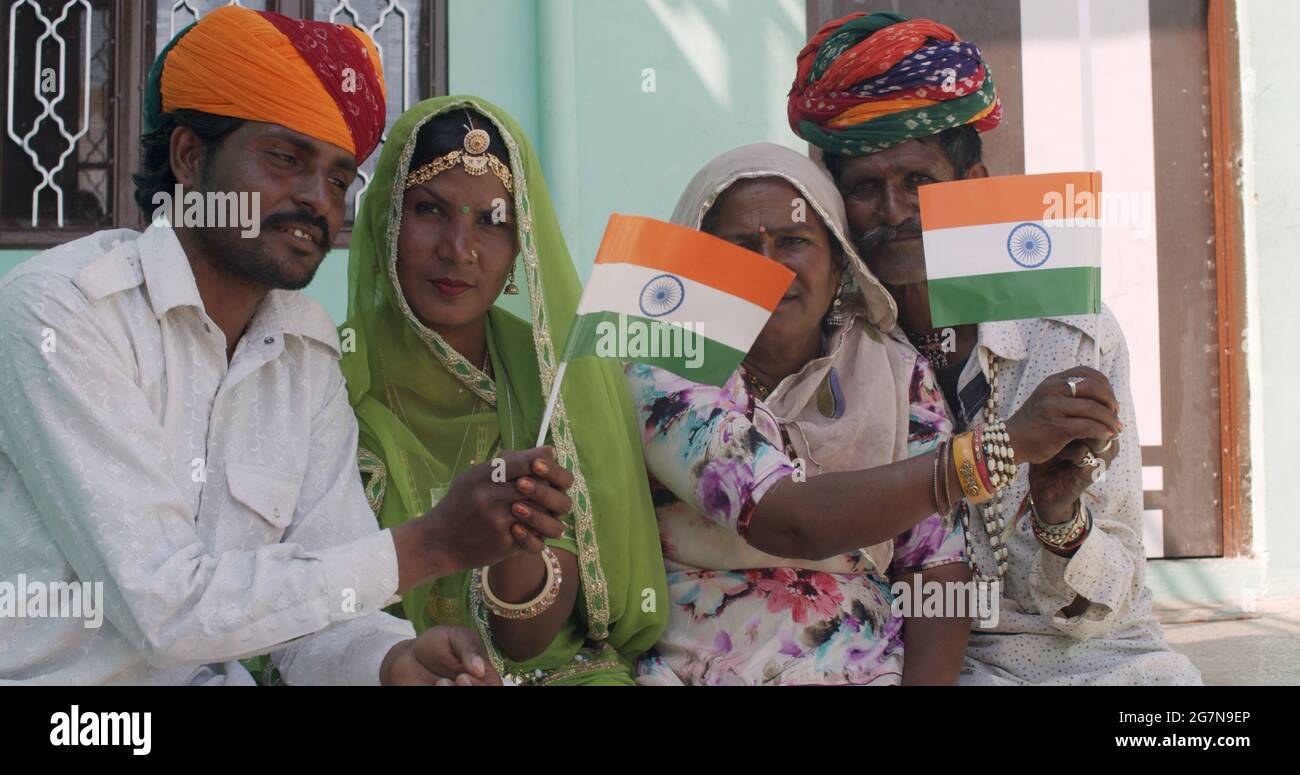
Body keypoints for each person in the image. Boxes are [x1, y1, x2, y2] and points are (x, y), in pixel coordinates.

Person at [0, 7, 568, 686]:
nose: (315, 200)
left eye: (336, 177)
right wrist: (431, 543)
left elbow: (324, 617)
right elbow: (164, 605)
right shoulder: (63, 310)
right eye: (284, 158)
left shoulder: (303, 349)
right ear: (188, 156)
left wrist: (393, 661)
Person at [789, 10, 1201, 684]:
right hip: (916, 655)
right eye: (866, 187)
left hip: (1097, 658)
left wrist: (1060, 516)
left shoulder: (1073, 328)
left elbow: (1111, 600)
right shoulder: (833, 346)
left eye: (918, 182)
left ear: (973, 188)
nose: (892, 209)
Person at [629, 143, 1105, 685]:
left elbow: (936, 570)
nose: (768, 266)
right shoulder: (666, 375)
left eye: (793, 241)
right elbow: (793, 520)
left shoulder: (895, 372)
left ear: (839, 267)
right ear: (700, 269)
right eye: (740, 246)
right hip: (702, 669)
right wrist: (1004, 445)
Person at [340, 95, 669, 685]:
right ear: (388, 219)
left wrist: (517, 542)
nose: (458, 248)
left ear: (520, 246)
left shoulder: (556, 373)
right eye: (429, 210)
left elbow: (525, 644)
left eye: (492, 221)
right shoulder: (328, 373)